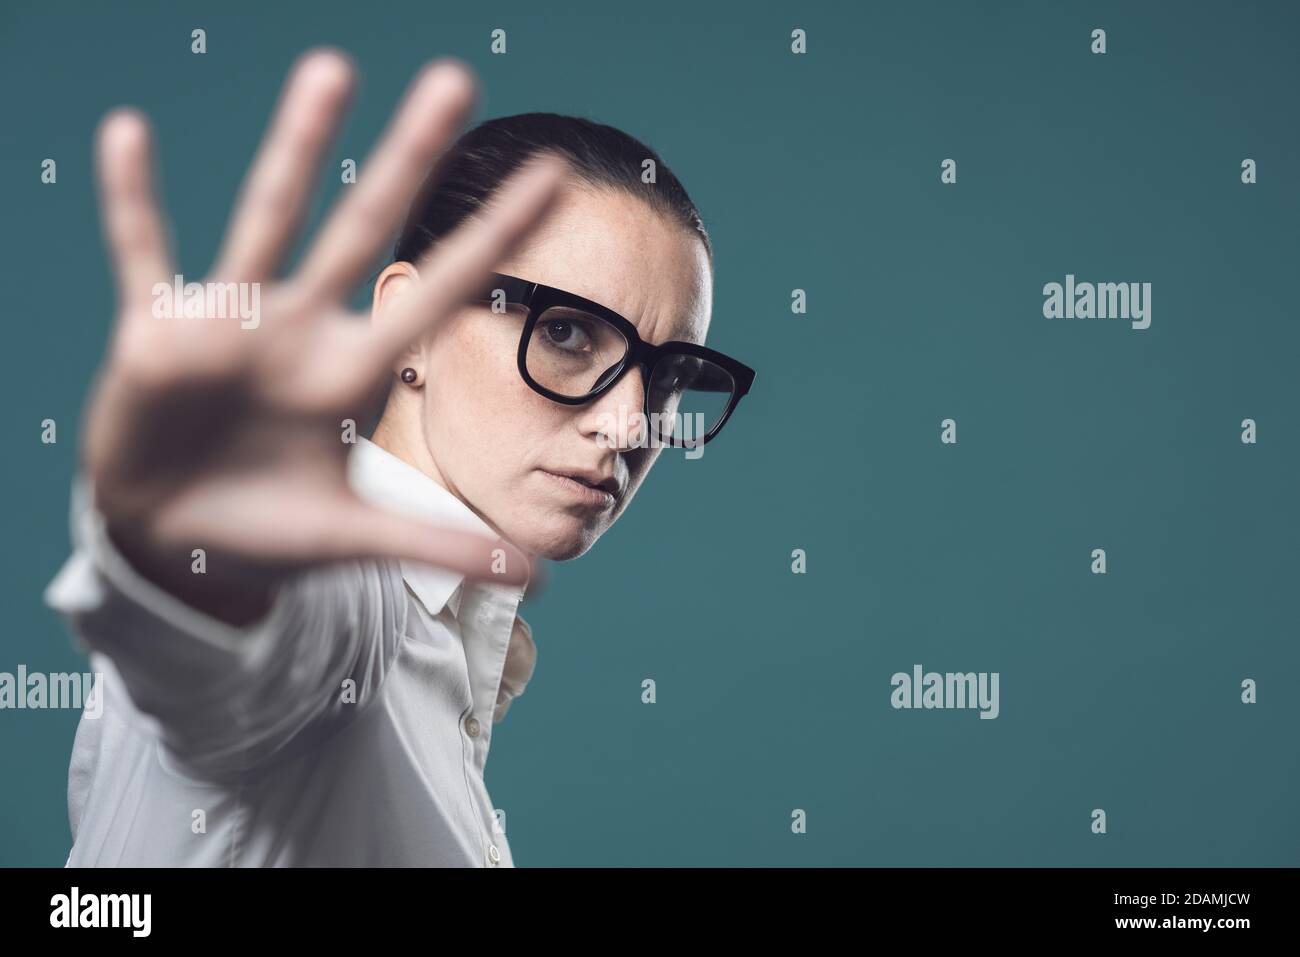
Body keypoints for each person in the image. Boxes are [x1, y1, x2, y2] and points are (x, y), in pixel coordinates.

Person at [43, 48, 754, 866]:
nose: (630, 422)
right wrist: (190, 551)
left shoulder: (449, 652)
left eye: (666, 375)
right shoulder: (351, 605)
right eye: (564, 332)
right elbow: (264, 644)